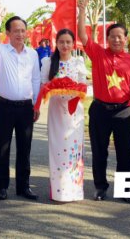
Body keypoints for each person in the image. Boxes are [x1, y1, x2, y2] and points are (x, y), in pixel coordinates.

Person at [76, 0, 130, 202]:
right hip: (100, 110)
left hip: (123, 111)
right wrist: (83, 10)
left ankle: (125, 190)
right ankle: (100, 187)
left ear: (126, 39)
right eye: (112, 37)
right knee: (99, 152)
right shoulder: (98, 54)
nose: (116, 40)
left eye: (120, 37)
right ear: (107, 38)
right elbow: (82, 36)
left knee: (124, 153)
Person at [0, 5, 41, 201]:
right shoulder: (1, 51)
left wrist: (36, 105)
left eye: (22, 30)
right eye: (16, 30)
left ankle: (23, 187)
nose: (20, 34)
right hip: (5, 107)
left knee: (24, 149)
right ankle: (2, 187)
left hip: (26, 107)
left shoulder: (33, 54)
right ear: (8, 33)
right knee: (3, 147)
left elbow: (36, 80)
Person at [41, 29, 88, 203]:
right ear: (56, 43)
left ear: (73, 43)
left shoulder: (78, 62)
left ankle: (74, 190)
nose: (65, 45)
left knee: (74, 149)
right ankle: (59, 190)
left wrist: (74, 92)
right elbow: (43, 86)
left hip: (75, 111)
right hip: (56, 111)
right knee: (58, 149)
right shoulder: (48, 62)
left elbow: (84, 86)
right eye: (62, 42)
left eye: (68, 42)